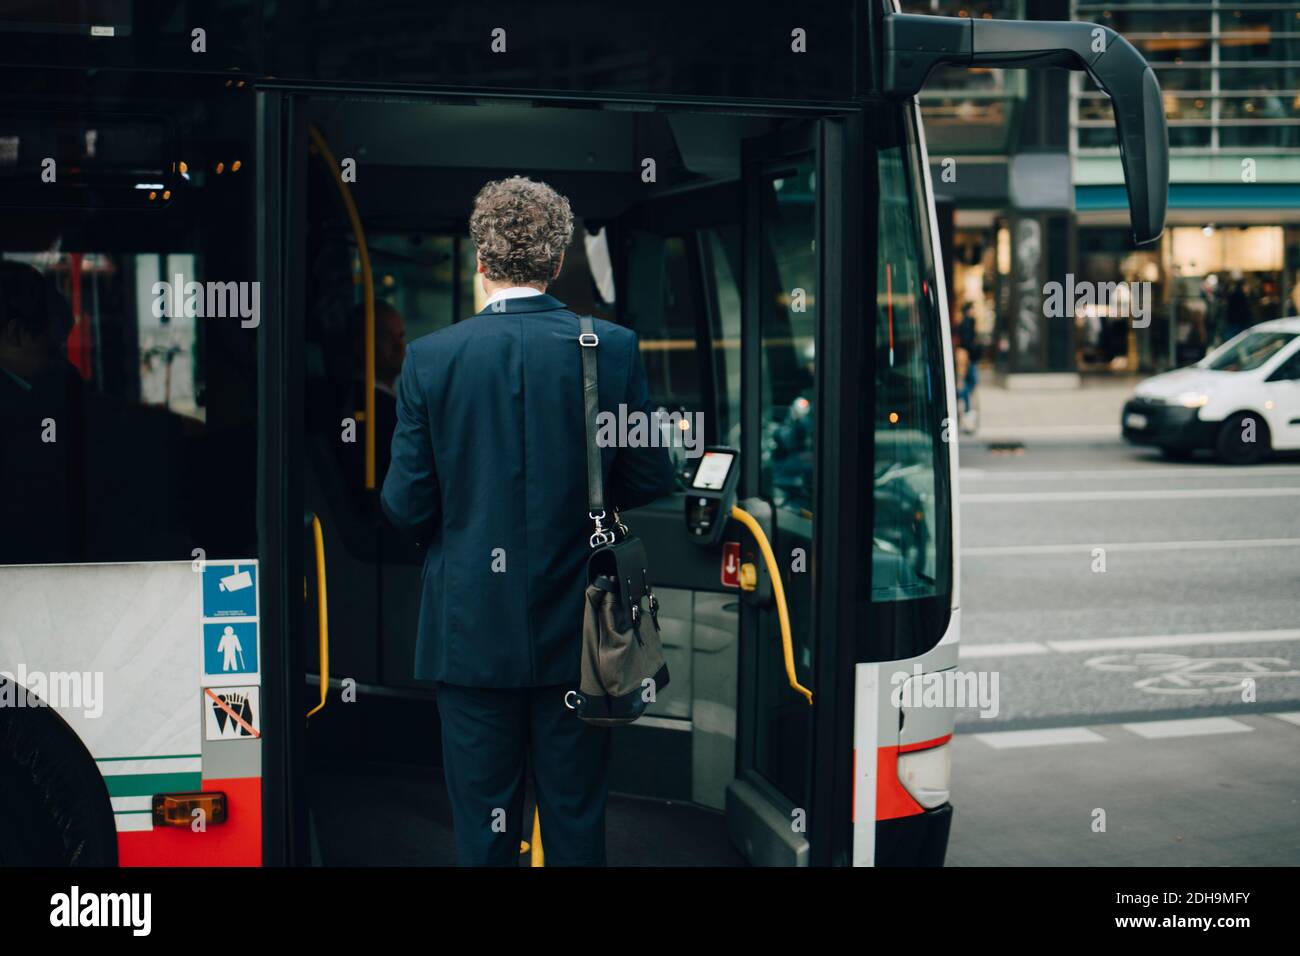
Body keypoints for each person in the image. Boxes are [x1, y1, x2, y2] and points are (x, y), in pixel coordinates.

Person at [380, 176, 675, 866]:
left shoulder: (430, 359)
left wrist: (456, 539)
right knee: (575, 817)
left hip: (469, 635)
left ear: (480, 260)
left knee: (483, 832)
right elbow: (650, 477)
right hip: (583, 629)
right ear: (555, 259)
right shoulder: (615, 348)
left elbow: (403, 503)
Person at [348, 299, 406, 487]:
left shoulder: (386, 402)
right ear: (360, 343)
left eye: (401, 336)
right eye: (387, 337)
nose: (400, 347)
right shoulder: (372, 407)